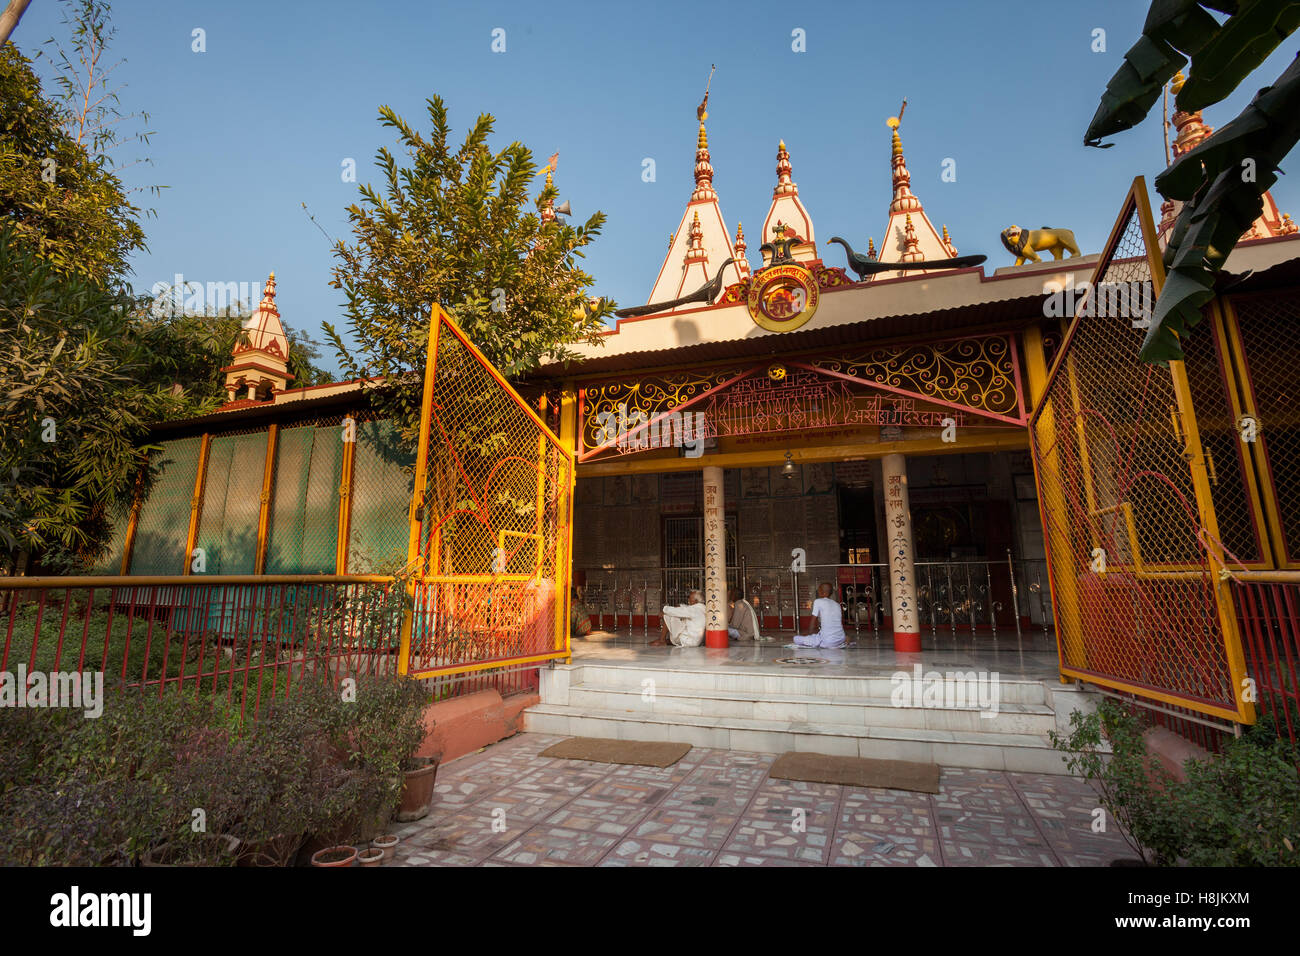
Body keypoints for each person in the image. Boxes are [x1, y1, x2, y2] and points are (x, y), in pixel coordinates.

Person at [788, 583, 846, 649]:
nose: (818, 592)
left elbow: (813, 620)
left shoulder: (818, 601)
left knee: (796, 638)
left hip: (828, 641)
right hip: (841, 638)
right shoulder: (837, 604)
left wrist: (809, 636)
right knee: (818, 636)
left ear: (822, 592)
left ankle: (818, 640)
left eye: (819, 590)